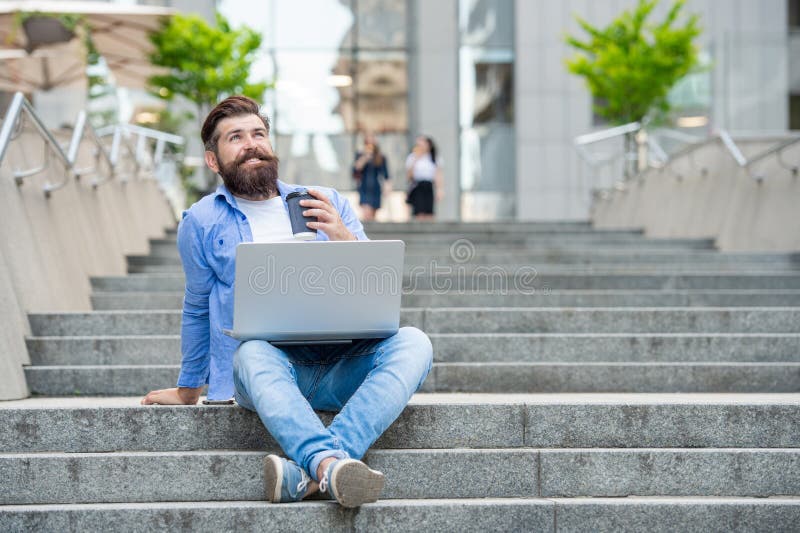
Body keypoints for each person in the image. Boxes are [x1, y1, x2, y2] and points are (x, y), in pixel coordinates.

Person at [140, 96, 433, 508]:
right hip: (269, 373)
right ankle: (332, 464)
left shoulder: (325, 200)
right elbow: (197, 304)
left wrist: (343, 238)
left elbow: (376, 280)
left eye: (258, 134)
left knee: (416, 341)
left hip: (340, 366)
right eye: (235, 138)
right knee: (252, 351)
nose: (251, 144)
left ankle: (316, 471)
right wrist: (190, 389)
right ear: (212, 160)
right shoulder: (202, 221)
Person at [352, 133, 390, 221]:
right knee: (366, 212)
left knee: (373, 214)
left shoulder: (380, 157)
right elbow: (356, 169)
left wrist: (387, 186)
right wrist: (365, 157)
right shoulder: (360, 154)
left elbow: (385, 173)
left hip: (375, 187)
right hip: (364, 186)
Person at [405, 135, 444, 220]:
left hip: (429, 185)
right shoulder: (412, 157)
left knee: (429, 213)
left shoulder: (434, 158)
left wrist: (439, 189)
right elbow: (409, 176)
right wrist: (416, 159)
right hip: (418, 186)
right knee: (419, 212)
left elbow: (438, 175)